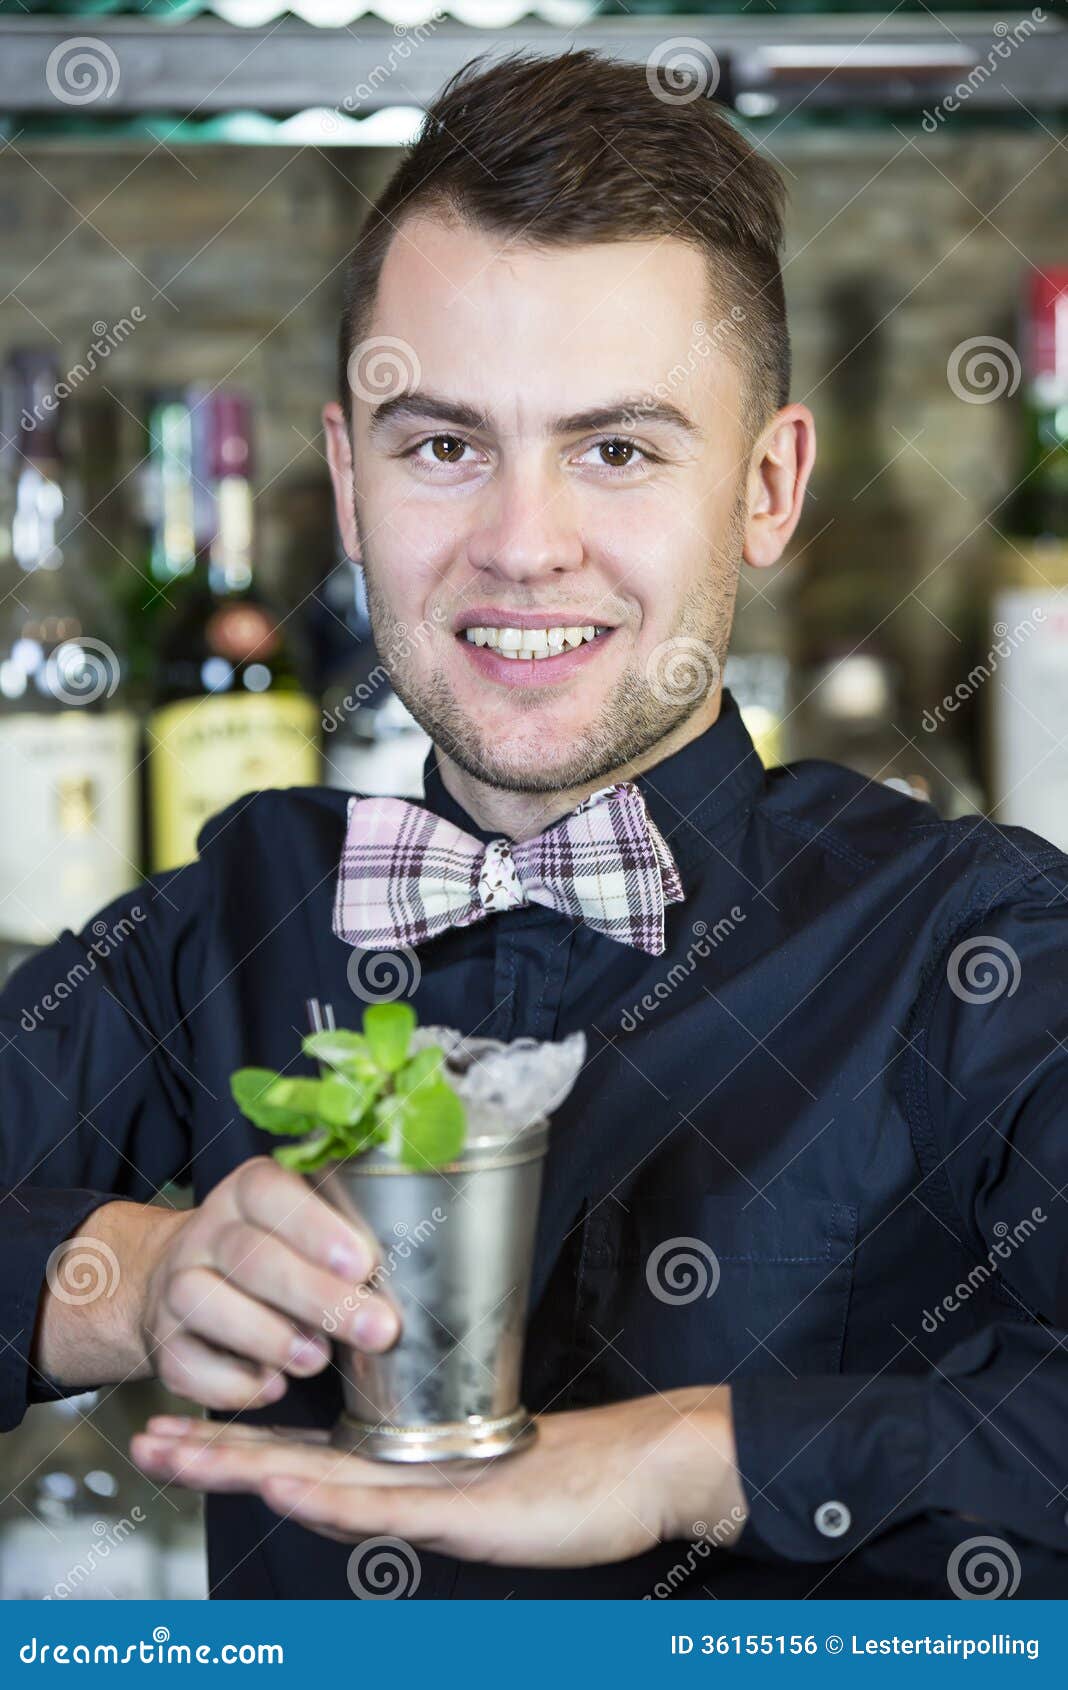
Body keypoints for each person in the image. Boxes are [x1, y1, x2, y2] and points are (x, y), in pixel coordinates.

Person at [3, 47, 1067, 1602]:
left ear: (767, 487)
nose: (521, 544)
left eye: (616, 448)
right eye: (444, 445)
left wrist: (690, 1454)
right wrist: (132, 1277)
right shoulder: (239, 910)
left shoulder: (975, 941)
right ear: (352, 487)